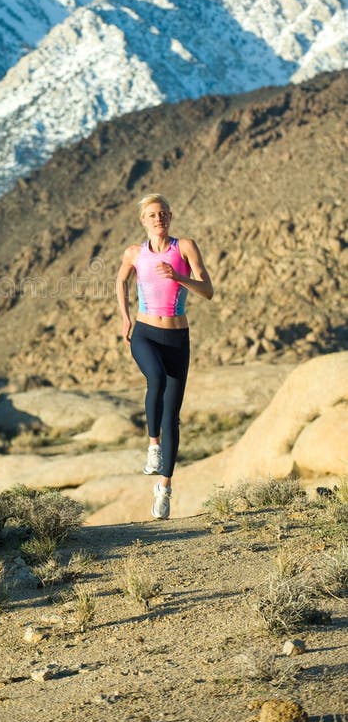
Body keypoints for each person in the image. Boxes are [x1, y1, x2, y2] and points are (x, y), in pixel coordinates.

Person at [116, 193, 213, 519]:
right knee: (155, 378)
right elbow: (120, 280)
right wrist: (125, 317)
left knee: (172, 415)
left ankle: (164, 489)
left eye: (163, 214)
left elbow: (208, 290)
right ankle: (153, 446)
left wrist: (179, 277)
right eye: (152, 215)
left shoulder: (184, 247)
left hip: (177, 337)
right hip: (144, 334)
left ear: (170, 216)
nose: (159, 219)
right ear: (143, 221)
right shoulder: (134, 252)